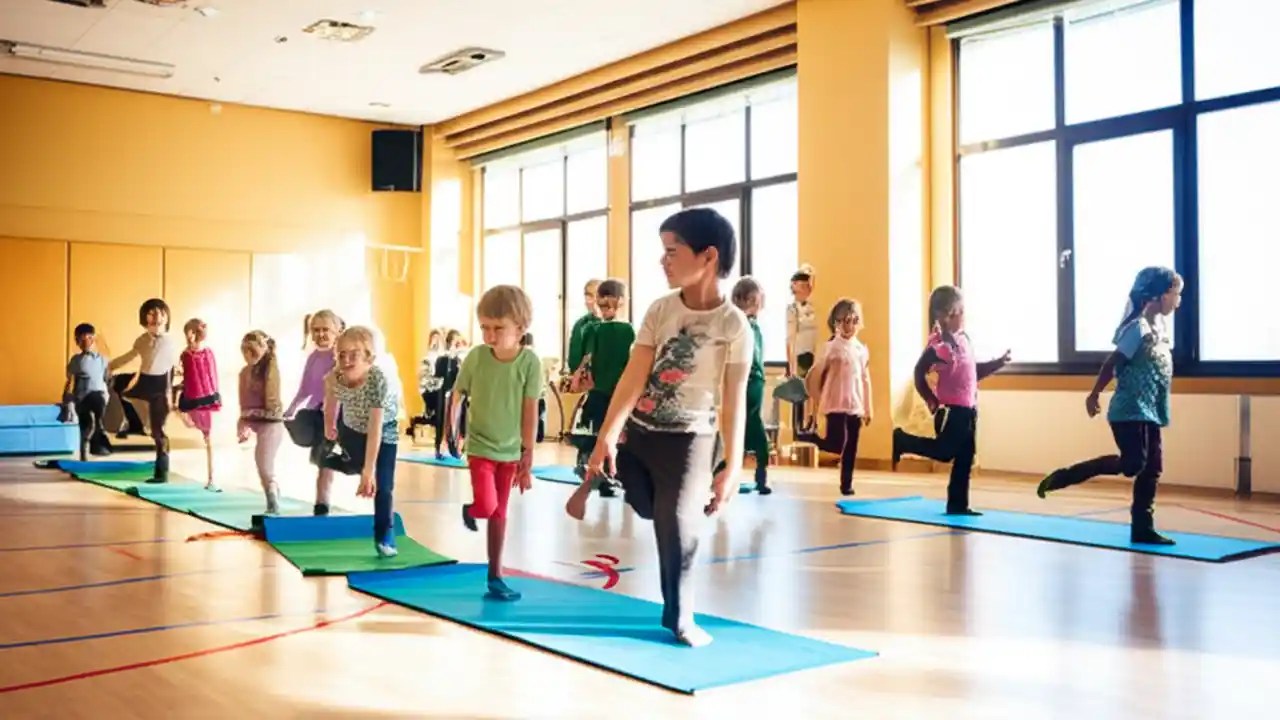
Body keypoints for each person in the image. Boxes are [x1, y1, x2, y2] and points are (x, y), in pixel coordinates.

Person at [570, 208, 750, 648]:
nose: (663, 261)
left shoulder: (733, 325)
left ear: (708, 256)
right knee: (652, 509)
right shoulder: (660, 310)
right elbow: (633, 377)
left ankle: (679, 614)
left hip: (692, 440)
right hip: (641, 433)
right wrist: (607, 436)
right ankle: (626, 476)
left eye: (672, 251)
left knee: (677, 523)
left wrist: (732, 465)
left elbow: (734, 400)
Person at [1036, 267, 1182, 545]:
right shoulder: (1137, 328)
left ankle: (1142, 527)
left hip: (1150, 409)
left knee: (1152, 467)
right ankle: (1064, 477)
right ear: (1158, 295)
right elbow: (1112, 362)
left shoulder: (1159, 328)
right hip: (1129, 410)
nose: (1178, 300)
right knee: (1133, 464)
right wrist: (1094, 394)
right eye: (1175, 294)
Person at [451, 286, 541, 601]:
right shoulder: (476, 357)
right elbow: (457, 394)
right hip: (480, 447)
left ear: (521, 328)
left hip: (510, 451)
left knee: (500, 514)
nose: (489, 336)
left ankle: (496, 575)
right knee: (487, 507)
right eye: (484, 328)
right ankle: (471, 508)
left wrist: (527, 455)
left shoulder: (530, 363)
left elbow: (530, 410)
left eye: (498, 328)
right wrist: (453, 432)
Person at [892, 286, 1011, 515]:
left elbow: (973, 372)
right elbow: (919, 371)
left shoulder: (963, 340)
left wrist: (998, 363)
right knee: (945, 451)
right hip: (951, 411)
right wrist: (930, 398)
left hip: (968, 410)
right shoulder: (940, 346)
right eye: (960, 312)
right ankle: (902, 440)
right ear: (947, 316)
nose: (964, 316)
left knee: (965, 458)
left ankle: (958, 504)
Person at [323, 326, 402, 556]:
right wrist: (330, 424)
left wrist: (369, 471)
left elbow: (375, 427)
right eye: (341, 354)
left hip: (384, 432)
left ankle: (384, 536)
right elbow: (330, 400)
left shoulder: (378, 380)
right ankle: (346, 462)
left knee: (383, 485)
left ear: (369, 357)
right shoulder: (334, 377)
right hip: (351, 430)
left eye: (353, 354)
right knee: (360, 466)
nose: (346, 360)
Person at [567, 278, 637, 498]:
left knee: (603, 433)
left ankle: (600, 470)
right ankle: (607, 474)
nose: (607, 310)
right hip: (612, 393)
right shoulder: (626, 331)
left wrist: (577, 378)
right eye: (604, 305)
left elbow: (585, 359)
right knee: (610, 434)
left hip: (607, 392)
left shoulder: (595, 330)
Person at [798, 298, 872, 496]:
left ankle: (846, 483)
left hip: (855, 403)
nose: (849, 326)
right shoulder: (831, 347)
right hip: (835, 402)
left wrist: (868, 407)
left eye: (854, 321)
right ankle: (813, 438)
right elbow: (816, 374)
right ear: (836, 323)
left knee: (851, 446)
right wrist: (817, 395)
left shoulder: (861, 349)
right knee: (837, 443)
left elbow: (865, 379)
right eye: (844, 321)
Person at [109, 298, 178, 483]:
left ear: (166, 317)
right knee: (118, 384)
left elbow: (175, 367)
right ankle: (134, 424)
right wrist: (108, 366)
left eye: (161, 313)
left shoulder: (171, 342)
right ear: (145, 318)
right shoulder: (141, 340)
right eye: (152, 313)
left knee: (158, 431)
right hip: (144, 382)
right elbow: (128, 357)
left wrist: (174, 393)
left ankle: (161, 472)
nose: (156, 316)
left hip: (161, 388)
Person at [285, 309, 344, 515]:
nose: (320, 335)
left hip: (339, 416)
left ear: (337, 331)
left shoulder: (341, 358)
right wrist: (291, 409)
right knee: (322, 462)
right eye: (316, 330)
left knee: (326, 461)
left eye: (325, 330)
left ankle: (322, 503)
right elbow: (305, 389)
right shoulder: (312, 358)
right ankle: (321, 504)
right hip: (318, 415)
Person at [730, 277, 773, 494]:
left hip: (753, 380)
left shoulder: (752, 325)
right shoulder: (741, 324)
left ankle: (761, 474)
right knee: (743, 424)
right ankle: (733, 472)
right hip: (746, 379)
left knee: (749, 423)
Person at [238, 330, 285, 514]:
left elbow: (272, 405)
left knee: (264, 464)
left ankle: (272, 496)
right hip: (254, 419)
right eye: (245, 351)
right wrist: (243, 423)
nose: (248, 355)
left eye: (252, 350)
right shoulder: (243, 373)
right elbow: (243, 403)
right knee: (261, 464)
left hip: (271, 423)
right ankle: (271, 493)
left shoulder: (271, 369)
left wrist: (250, 415)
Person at [177, 318, 221, 491]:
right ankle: (211, 478)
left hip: (208, 399)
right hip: (192, 398)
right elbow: (187, 376)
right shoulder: (186, 354)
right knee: (199, 430)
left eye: (193, 333)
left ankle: (212, 478)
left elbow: (213, 375)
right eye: (188, 334)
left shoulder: (208, 353)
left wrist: (215, 396)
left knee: (209, 439)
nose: (190, 337)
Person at [63, 323, 112, 461]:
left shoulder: (102, 360)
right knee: (85, 427)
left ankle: (99, 436)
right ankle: (84, 456)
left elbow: (107, 379)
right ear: (77, 342)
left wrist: (108, 392)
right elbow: (70, 381)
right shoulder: (76, 360)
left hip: (99, 397)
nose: (86, 342)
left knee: (97, 400)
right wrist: (67, 401)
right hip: (82, 398)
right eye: (82, 339)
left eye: (89, 338)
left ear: (94, 340)